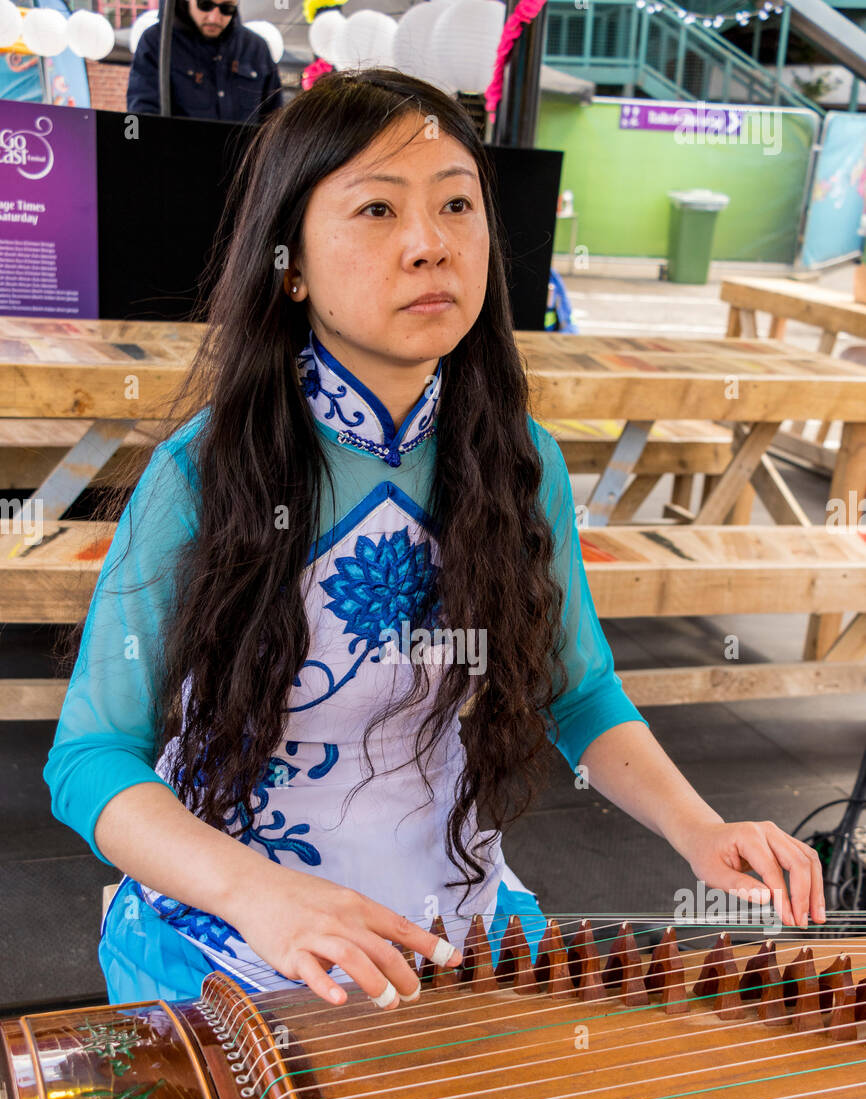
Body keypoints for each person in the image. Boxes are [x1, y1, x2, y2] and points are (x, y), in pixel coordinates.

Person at [44, 70, 825, 1011]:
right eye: (377, 209)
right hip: (238, 928)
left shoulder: (515, 458)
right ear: (288, 263)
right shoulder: (204, 472)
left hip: (451, 914)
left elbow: (576, 692)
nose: (429, 244)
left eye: (457, 203)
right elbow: (92, 756)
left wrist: (701, 832)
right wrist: (257, 894)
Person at [127, 0, 283, 125]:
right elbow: (142, 114)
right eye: (205, 5)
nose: (214, 17)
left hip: (242, 163)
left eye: (226, 8)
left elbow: (274, 120)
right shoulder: (157, 42)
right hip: (176, 160)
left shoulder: (256, 48)